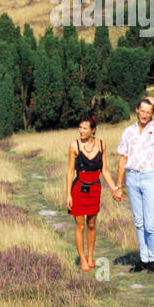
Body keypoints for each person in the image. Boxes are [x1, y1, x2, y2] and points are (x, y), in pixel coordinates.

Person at [115, 96, 154, 273]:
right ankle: (143, 259)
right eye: (142, 111)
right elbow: (123, 159)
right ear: (137, 111)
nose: (145, 115)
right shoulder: (128, 132)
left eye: (149, 111)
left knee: (150, 223)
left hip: (149, 178)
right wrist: (119, 185)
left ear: (152, 113)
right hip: (132, 178)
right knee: (139, 222)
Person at [65, 116, 120, 272]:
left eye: (85, 128)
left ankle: (90, 256)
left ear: (93, 130)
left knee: (91, 224)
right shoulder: (74, 146)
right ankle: (82, 259)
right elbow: (70, 171)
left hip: (95, 189)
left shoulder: (102, 145)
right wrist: (68, 194)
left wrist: (115, 188)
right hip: (78, 189)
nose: (81, 131)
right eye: (80, 127)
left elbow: (104, 170)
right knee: (80, 226)